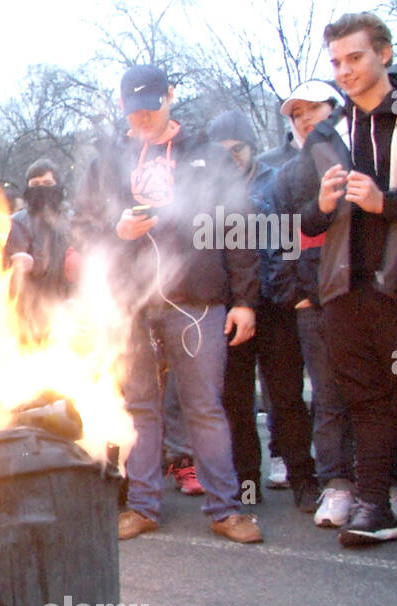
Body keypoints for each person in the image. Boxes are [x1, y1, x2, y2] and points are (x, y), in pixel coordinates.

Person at [280, 12, 397, 550]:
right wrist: (322, 206)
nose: (346, 70)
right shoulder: (327, 132)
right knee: (366, 401)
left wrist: (385, 204)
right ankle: (375, 505)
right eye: (337, 62)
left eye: (355, 58)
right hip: (345, 291)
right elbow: (300, 219)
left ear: (385, 54)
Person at [74, 64, 263, 544]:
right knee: (139, 406)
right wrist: (117, 230)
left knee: (205, 406)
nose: (143, 117)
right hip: (131, 304)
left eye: (151, 106)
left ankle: (226, 508)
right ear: (122, 106)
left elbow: (238, 228)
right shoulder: (108, 160)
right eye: (133, 109)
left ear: (171, 96)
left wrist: (244, 301)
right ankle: (142, 505)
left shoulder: (207, 155)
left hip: (197, 298)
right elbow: (84, 227)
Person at [209, 110, 321, 514]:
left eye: (236, 149)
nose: (231, 158)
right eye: (222, 152)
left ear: (251, 146)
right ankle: (248, 484)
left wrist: (289, 292)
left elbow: (292, 242)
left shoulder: (277, 182)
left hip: (275, 306)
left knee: (287, 398)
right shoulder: (207, 193)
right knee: (236, 404)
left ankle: (303, 479)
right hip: (229, 310)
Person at [267, 81, 356, 529]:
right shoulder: (285, 176)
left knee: (377, 391)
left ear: (334, 109)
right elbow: (280, 241)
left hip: (363, 292)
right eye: (296, 112)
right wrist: (297, 296)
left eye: (313, 108)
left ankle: (385, 483)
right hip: (313, 299)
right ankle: (336, 484)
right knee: (327, 396)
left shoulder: (360, 152)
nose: (304, 117)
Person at [4, 157, 80, 338]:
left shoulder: (76, 220)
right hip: (29, 313)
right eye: (35, 184)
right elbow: (4, 267)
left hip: (71, 308)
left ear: (58, 186)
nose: (41, 189)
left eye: (47, 183)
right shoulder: (14, 222)